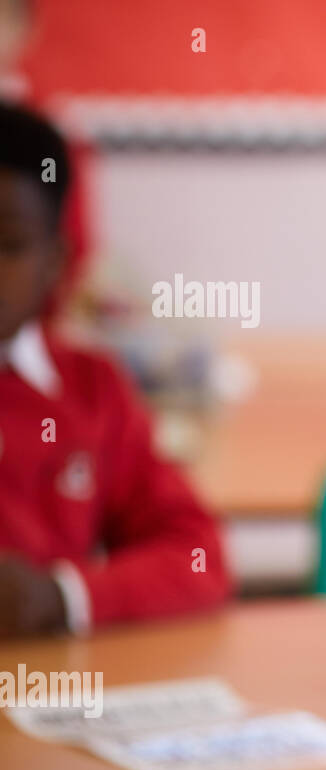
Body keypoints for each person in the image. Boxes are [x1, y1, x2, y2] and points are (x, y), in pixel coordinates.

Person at [0, 102, 230, 636]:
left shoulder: (93, 389)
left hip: (46, 691)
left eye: (8, 245)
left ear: (55, 263)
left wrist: (63, 598)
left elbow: (200, 558)